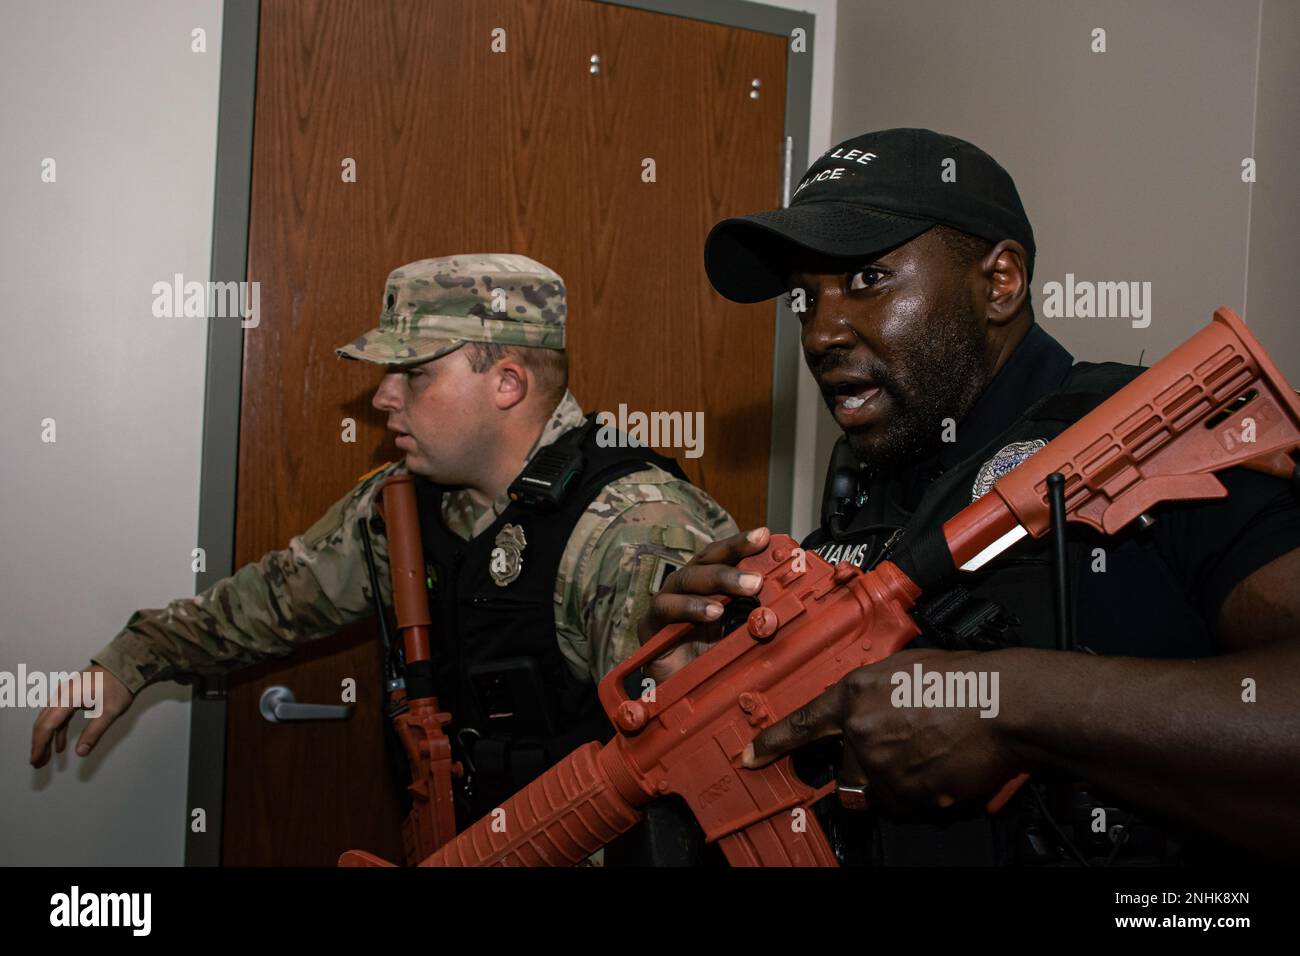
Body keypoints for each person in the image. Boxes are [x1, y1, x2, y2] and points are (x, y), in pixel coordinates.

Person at [642, 129, 1300, 864]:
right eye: (806, 300)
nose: (822, 332)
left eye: (867, 280)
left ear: (1000, 282)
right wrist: (719, 696)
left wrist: (1007, 702)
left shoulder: (1158, 440)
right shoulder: (863, 497)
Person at [30, 253, 737, 831]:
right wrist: (135, 658)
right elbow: (275, 599)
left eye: (415, 373)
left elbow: (710, 766)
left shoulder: (634, 528)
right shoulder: (405, 504)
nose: (382, 397)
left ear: (508, 383)